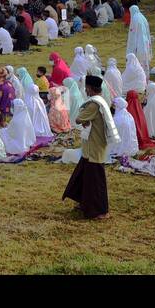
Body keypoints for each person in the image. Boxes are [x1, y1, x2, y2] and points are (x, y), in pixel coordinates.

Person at [61, 74, 118, 219]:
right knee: (85, 175)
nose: (85, 90)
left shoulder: (93, 104)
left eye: (86, 88)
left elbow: (79, 118)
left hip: (95, 146)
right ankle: (84, 201)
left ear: (90, 89)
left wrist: (84, 119)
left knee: (95, 179)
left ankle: (100, 210)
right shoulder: (101, 100)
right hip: (92, 145)